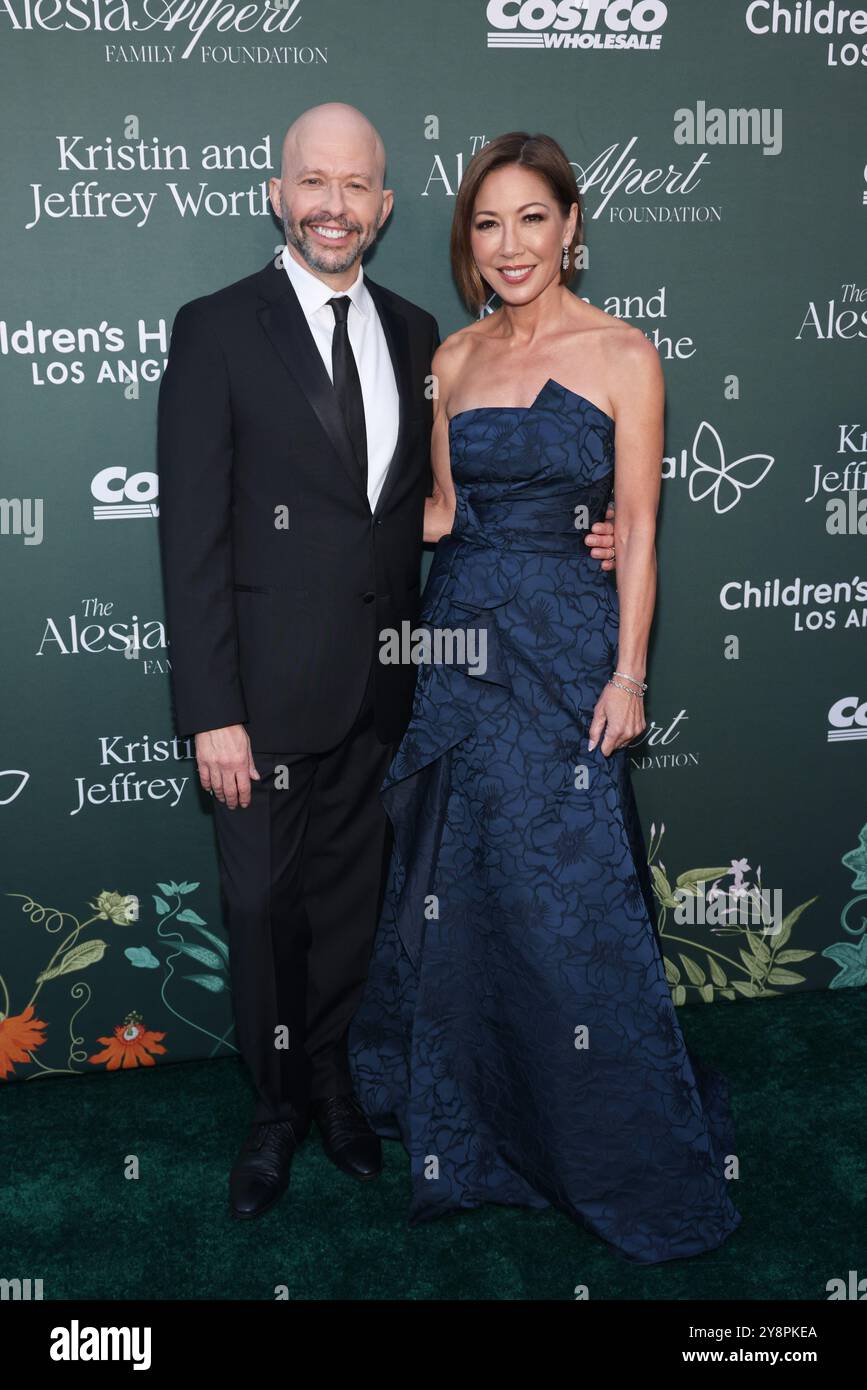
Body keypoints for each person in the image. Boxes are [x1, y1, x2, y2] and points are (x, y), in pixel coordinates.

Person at [157, 106, 618, 1220]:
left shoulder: (425, 338)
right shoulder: (216, 328)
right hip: (257, 701)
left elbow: (440, 510)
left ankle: (334, 1082)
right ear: (279, 193)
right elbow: (192, 538)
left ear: (385, 206)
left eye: (356, 186)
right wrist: (212, 710)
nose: (333, 204)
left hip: (386, 686)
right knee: (265, 911)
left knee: (354, 905)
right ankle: (275, 1110)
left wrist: (585, 523)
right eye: (314, 182)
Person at [348, 132, 742, 1264]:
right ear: (466, 241)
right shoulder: (456, 358)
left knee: (571, 896)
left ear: (573, 226)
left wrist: (629, 673)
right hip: (461, 638)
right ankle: (473, 1128)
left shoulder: (624, 353)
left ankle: (602, 1141)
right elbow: (433, 515)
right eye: (487, 223)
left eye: (532, 218)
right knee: (457, 880)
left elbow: (646, 528)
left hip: (568, 651)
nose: (510, 243)